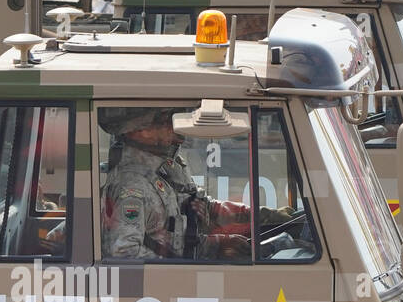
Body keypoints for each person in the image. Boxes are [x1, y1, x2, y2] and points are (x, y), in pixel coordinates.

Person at [99, 108, 294, 261]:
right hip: (169, 290)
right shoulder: (132, 187)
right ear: (140, 130)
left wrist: (264, 217)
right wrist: (183, 271)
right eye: (166, 121)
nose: (177, 130)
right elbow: (124, 254)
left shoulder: (165, 168)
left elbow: (199, 211)